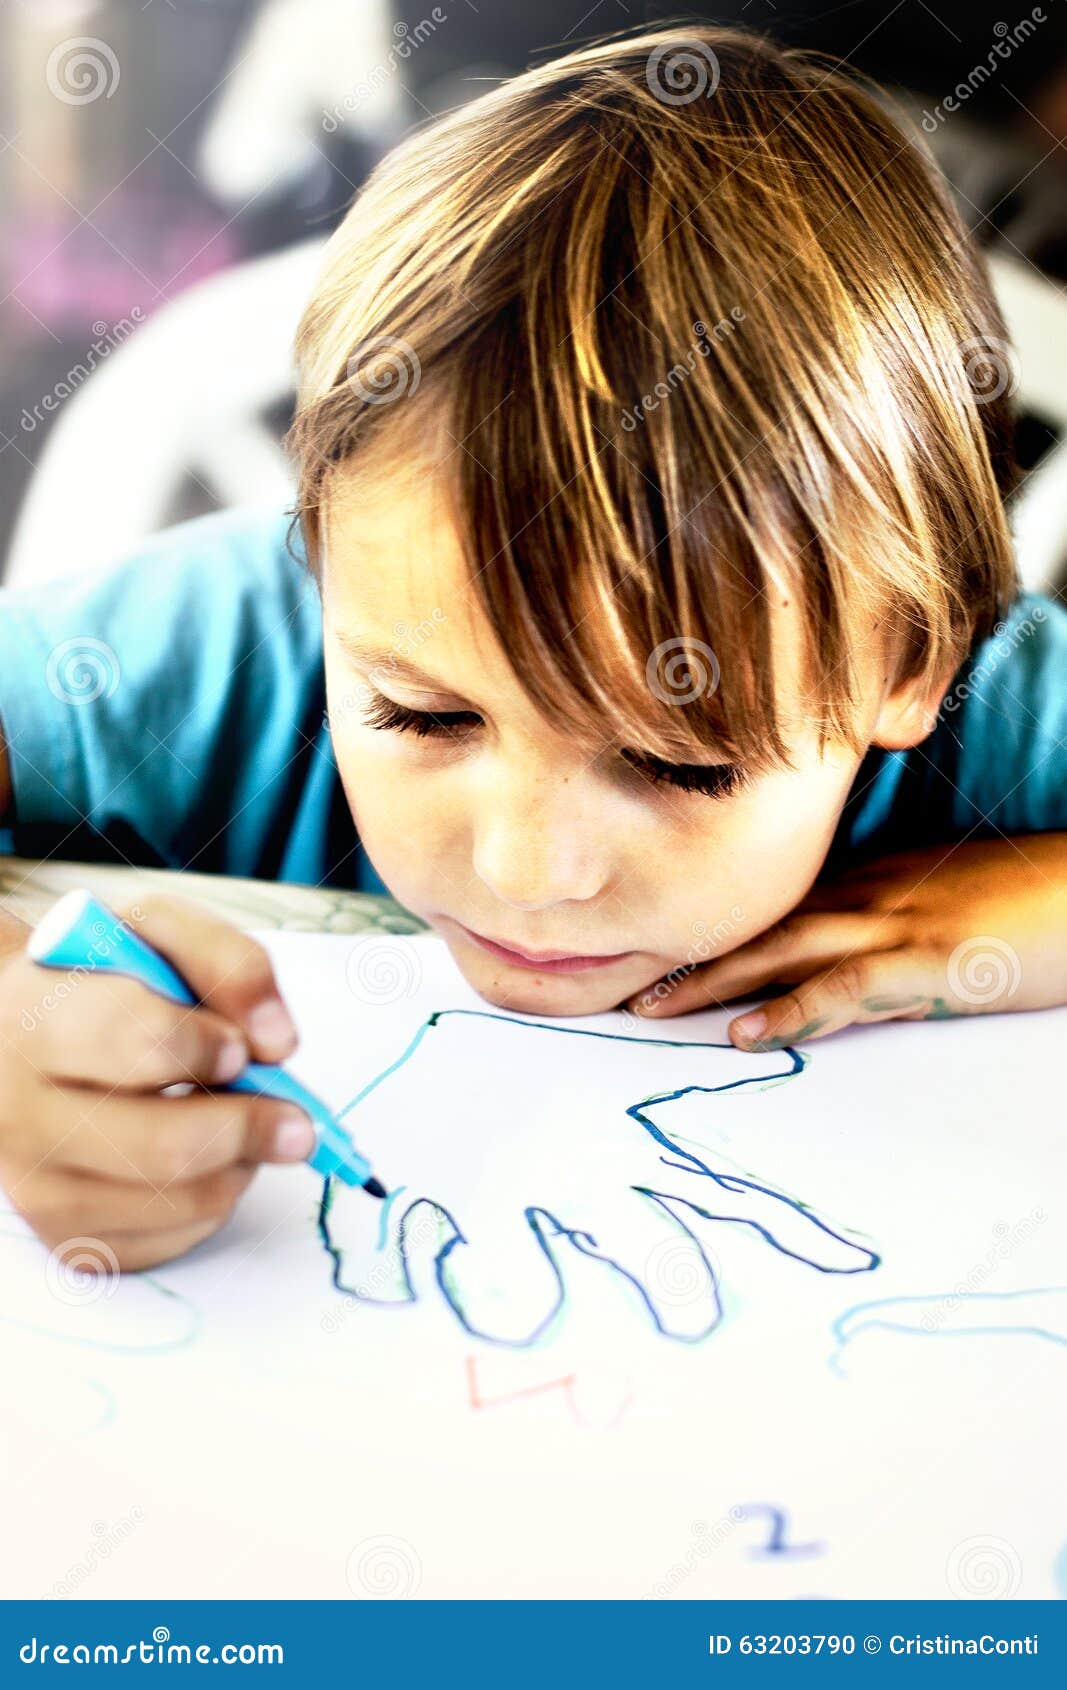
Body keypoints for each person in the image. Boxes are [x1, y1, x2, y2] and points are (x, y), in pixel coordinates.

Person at [0, 26, 1063, 1269]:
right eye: (422, 715)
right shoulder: (227, 636)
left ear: (908, 672)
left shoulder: (987, 705)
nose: (524, 869)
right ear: (329, 563)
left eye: (678, 765)